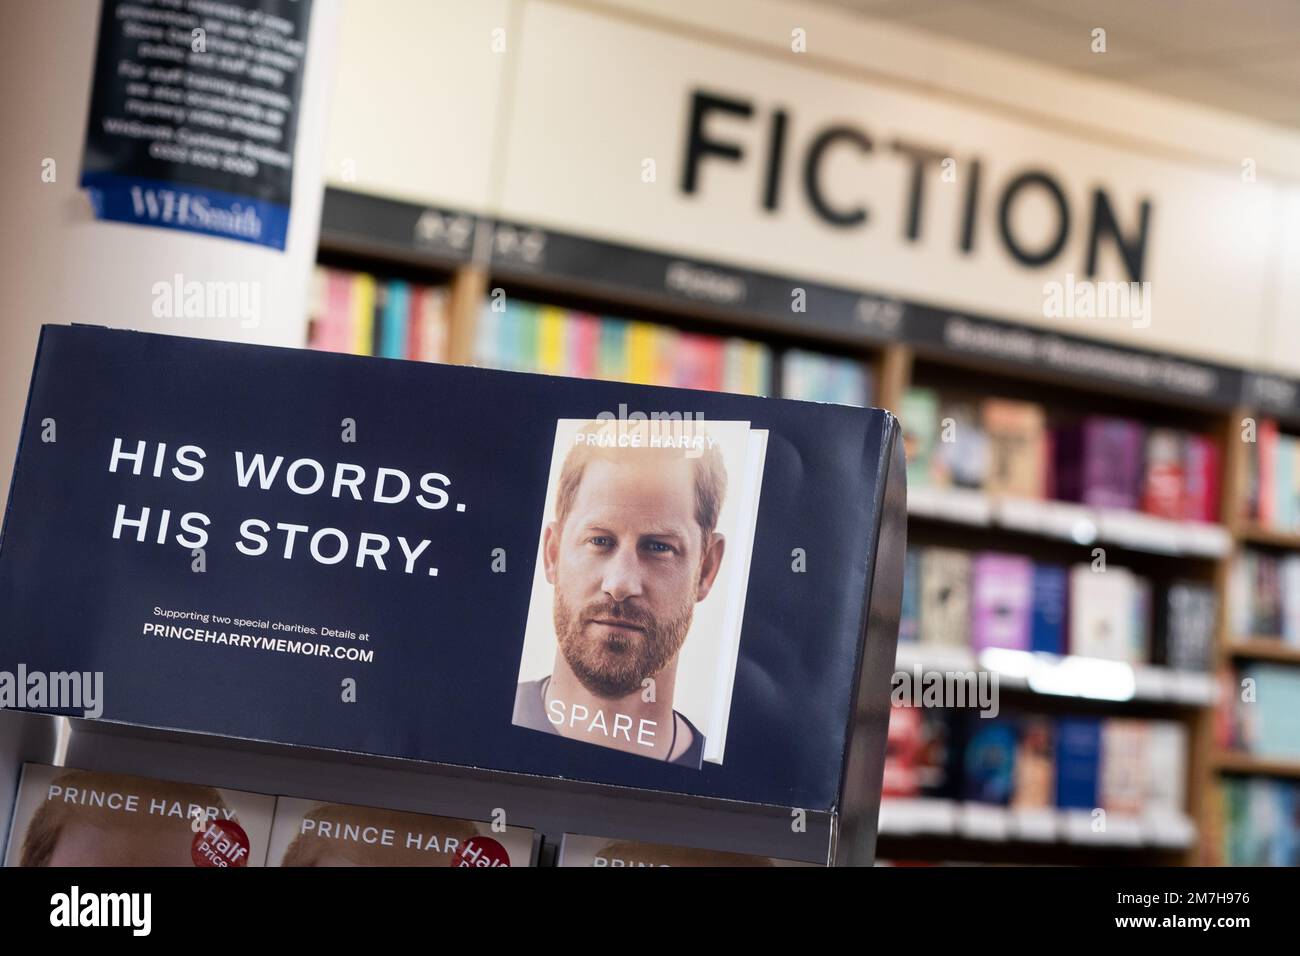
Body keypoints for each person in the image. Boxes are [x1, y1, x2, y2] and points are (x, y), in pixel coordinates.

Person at [514, 418, 727, 767]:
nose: (620, 584)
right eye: (599, 541)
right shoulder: (470, 720)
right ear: (552, 554)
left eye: (658, 547)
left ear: (706, 569)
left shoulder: (730, 793)